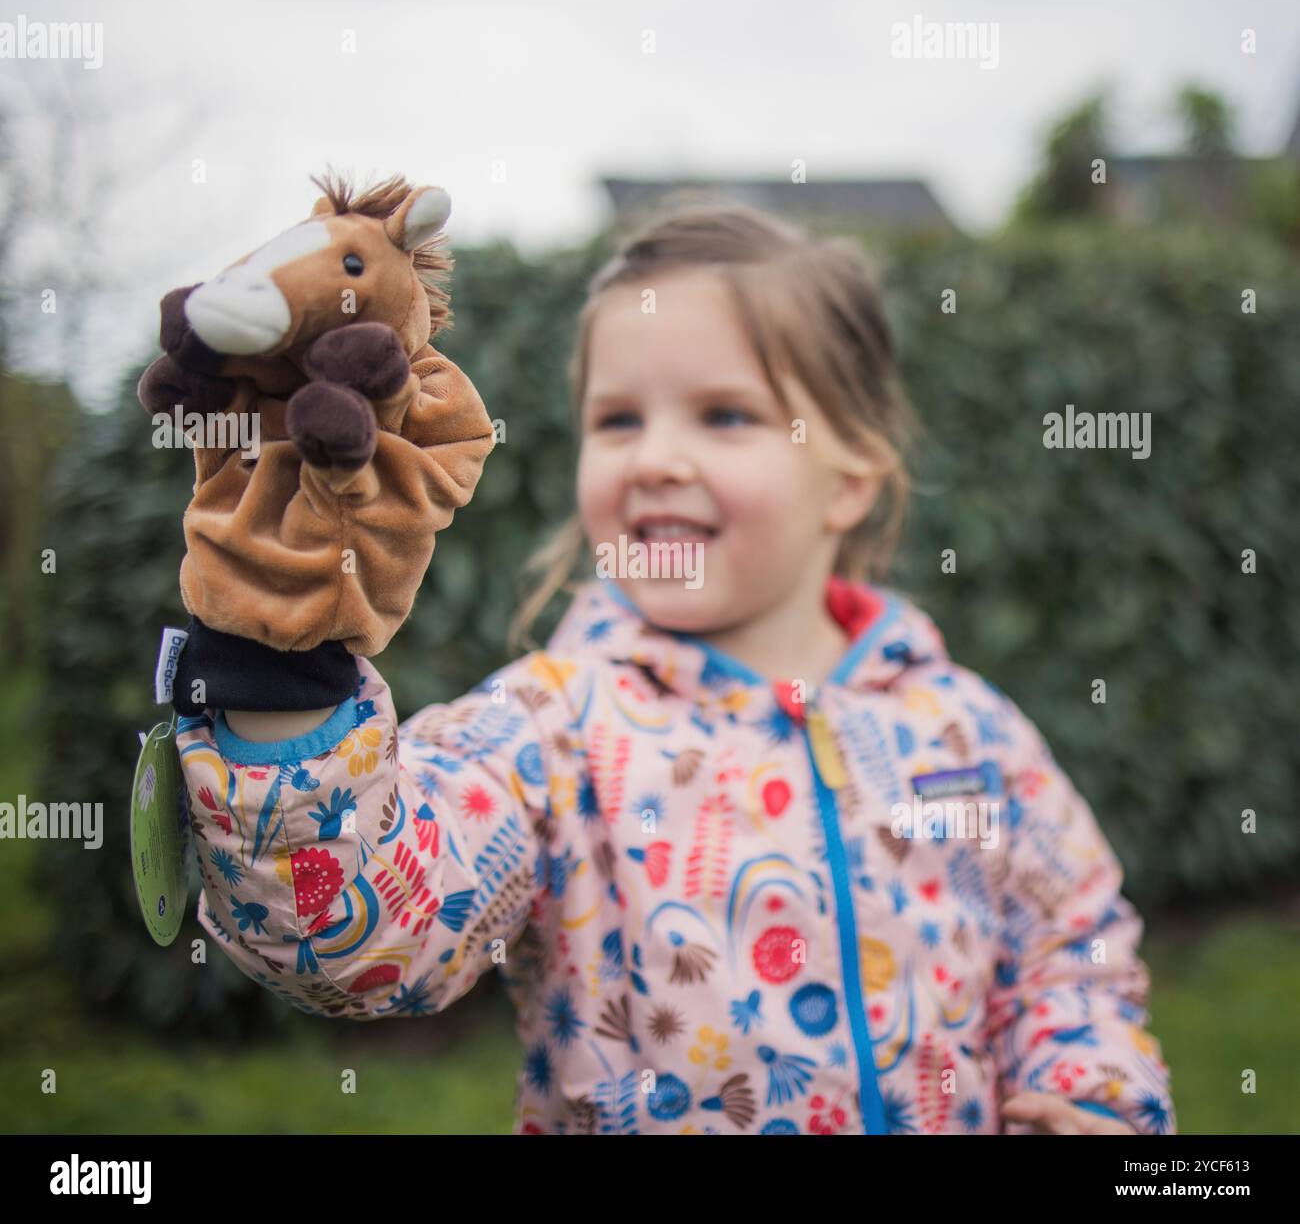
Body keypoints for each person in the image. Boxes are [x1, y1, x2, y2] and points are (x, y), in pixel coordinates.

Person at [174, 199, 1176, 1136]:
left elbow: (1071, 944)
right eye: (617, 420)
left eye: (725, 415)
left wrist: (1084, 1093)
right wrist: (279, 662)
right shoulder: (550, 729)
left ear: (851, 480)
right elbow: (358, 940)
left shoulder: (966, 729)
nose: (653, 458)